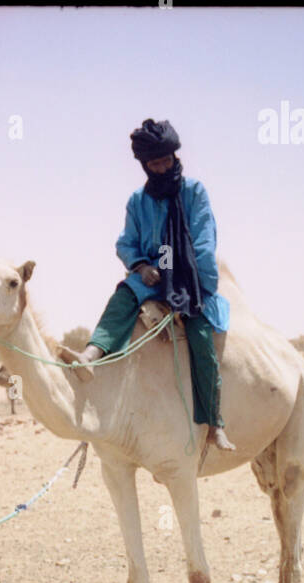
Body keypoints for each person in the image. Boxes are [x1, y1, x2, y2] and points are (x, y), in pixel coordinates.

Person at [60, 118, 235, 452]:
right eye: (154, 164)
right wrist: (140, 267)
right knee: (122, 298)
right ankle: (91, 354)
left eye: (165, 161)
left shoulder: (194, 192)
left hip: (189, 279)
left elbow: (203, 243)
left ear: (174, 157)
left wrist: (183, 276)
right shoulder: (137, 202)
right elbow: (126, 242)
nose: (161, 167)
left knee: (200, 341)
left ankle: (213, 423)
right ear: (145, 165)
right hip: (152, 276)